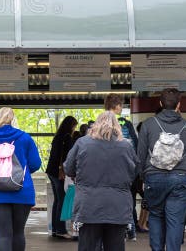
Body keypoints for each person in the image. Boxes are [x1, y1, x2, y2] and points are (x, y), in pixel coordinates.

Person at [138, 88, 186, 251]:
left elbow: (140, 155)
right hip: (181, 178)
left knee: (156, 216)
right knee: (175, 220)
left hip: (154, 177)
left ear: (160, 103)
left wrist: (143, 177)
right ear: (179, 105)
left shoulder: (148, 125)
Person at [64, 111, 137, 251]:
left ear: (96, 125)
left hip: (89, 206)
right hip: (118, 206)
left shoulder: (82, 143)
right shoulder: (126, 146)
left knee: (88, 246)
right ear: (117, 126)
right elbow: (134, 171)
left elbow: (68, 168)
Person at [0, 107, 42, 251]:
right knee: (18, 233)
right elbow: (35, 163)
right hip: (22, 192)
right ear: (13, 119)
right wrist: (19, 174)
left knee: (3, 236)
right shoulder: (25, 138)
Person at [105, 93, 139, 241]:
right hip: (123, 169)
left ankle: (108, 230)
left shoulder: (98, 124)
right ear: (118, 106)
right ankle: (129, 229)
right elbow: (135, 146)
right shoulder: (125, 124)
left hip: (104, 171)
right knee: (126, 200)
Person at [45, 115, 77, 239]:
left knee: (57, 200)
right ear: (71, 126)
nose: (75, 129)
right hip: (59, 172)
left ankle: (54, 229)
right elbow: (67, 157)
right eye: (74, 126)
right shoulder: (67, 137)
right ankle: (61, 230)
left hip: (51, 171)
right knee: (62, 200)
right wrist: (65, 171)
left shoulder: (57, 136)